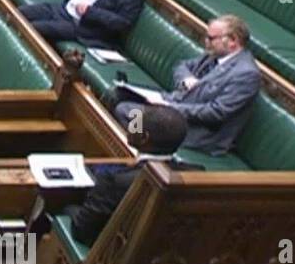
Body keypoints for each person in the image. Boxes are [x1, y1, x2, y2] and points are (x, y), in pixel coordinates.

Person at [110, 14, 261, 156]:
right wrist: (186, 78)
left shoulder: (246, 74)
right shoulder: (215, 56)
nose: (206, 42)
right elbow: (182, 66)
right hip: (177, 106)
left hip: (197, 131)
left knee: (126, 111)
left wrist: (169, 107)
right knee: (119, 94)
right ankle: (133, 150)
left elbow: (216, 112)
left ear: (233, 41)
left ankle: (138, 155)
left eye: (210, 38)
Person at [62, 105, 195, 245]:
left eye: (136, 123)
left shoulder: (115, 181)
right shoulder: (195, 175)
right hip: (161, 251)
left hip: (112, 251)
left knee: (63, 208)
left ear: (144, 138)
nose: (130, 125)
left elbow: (83, 230)